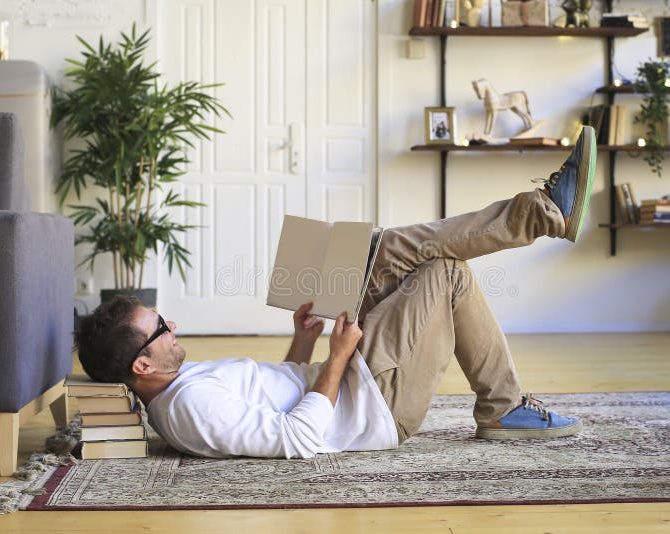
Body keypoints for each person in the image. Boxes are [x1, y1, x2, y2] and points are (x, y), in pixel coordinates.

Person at [76, 126, 597, 459]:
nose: (173, 327)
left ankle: (545, 212)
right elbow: (298, 438)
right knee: (445, 272)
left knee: (385, 247)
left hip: (357, 375)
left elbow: (275, 396)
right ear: (142, 365)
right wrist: (339, 355)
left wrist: (303, 342)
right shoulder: (190, 409)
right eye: (161, 328)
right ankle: (505, 402)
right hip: (377, 402)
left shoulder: (180, 387)